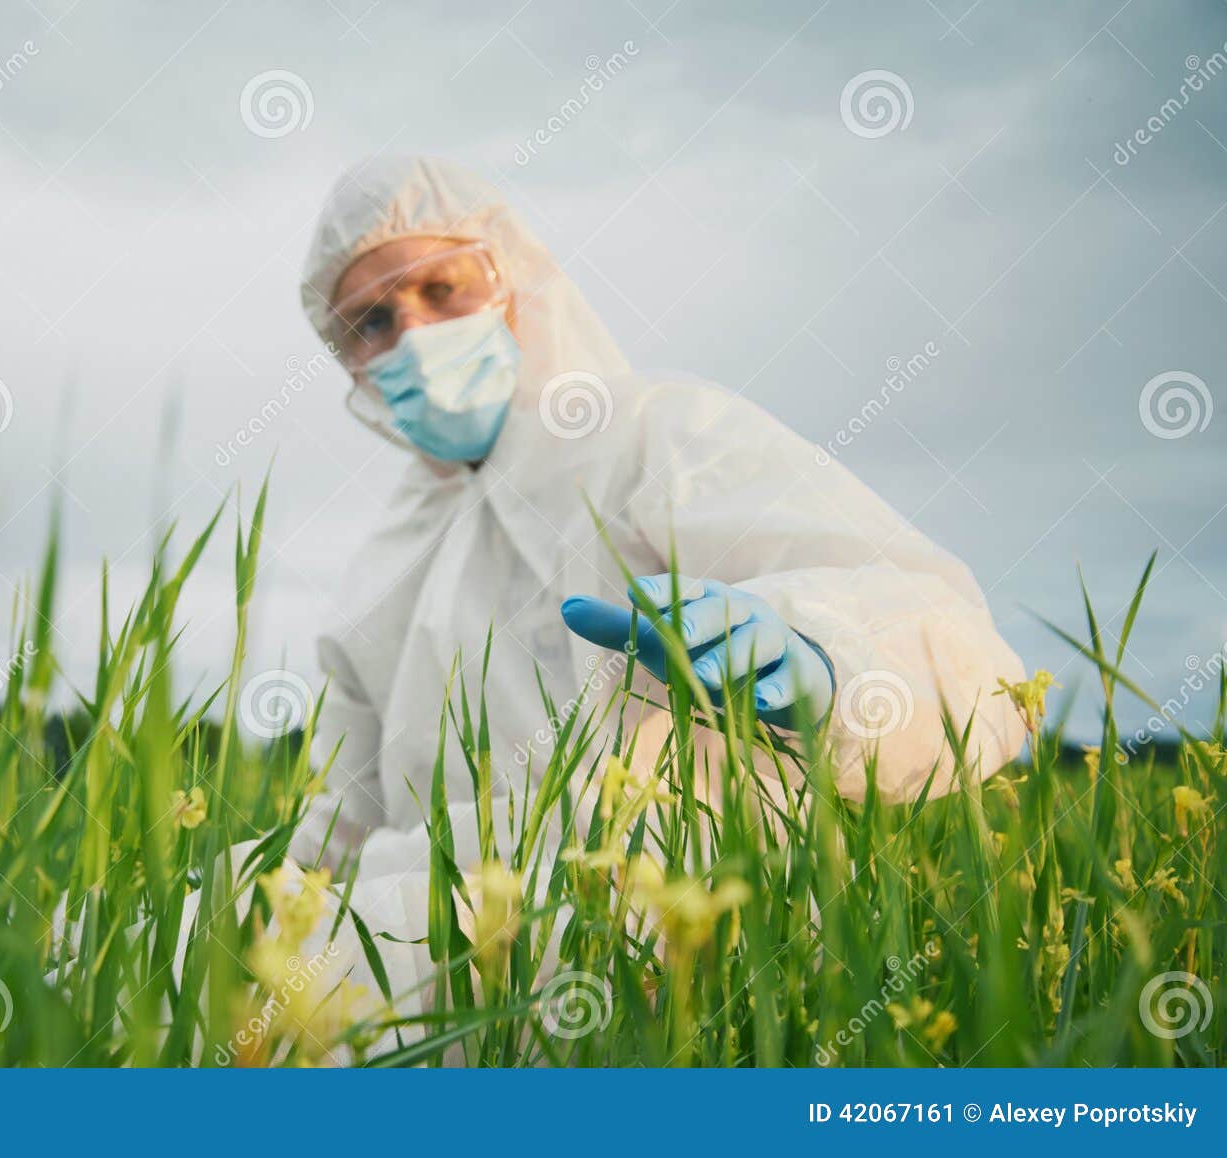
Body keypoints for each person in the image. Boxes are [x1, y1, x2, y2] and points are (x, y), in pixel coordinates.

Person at [290, 155, 1026, 877]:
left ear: (510, 282)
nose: (414, 335)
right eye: (373, 321)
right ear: (347, 358)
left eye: (440, 287)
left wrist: (829, 663)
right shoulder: (382, 570)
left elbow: (956, 644)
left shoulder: (660, 436)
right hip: (435, 922)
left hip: (679, 916)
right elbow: (337, 828)